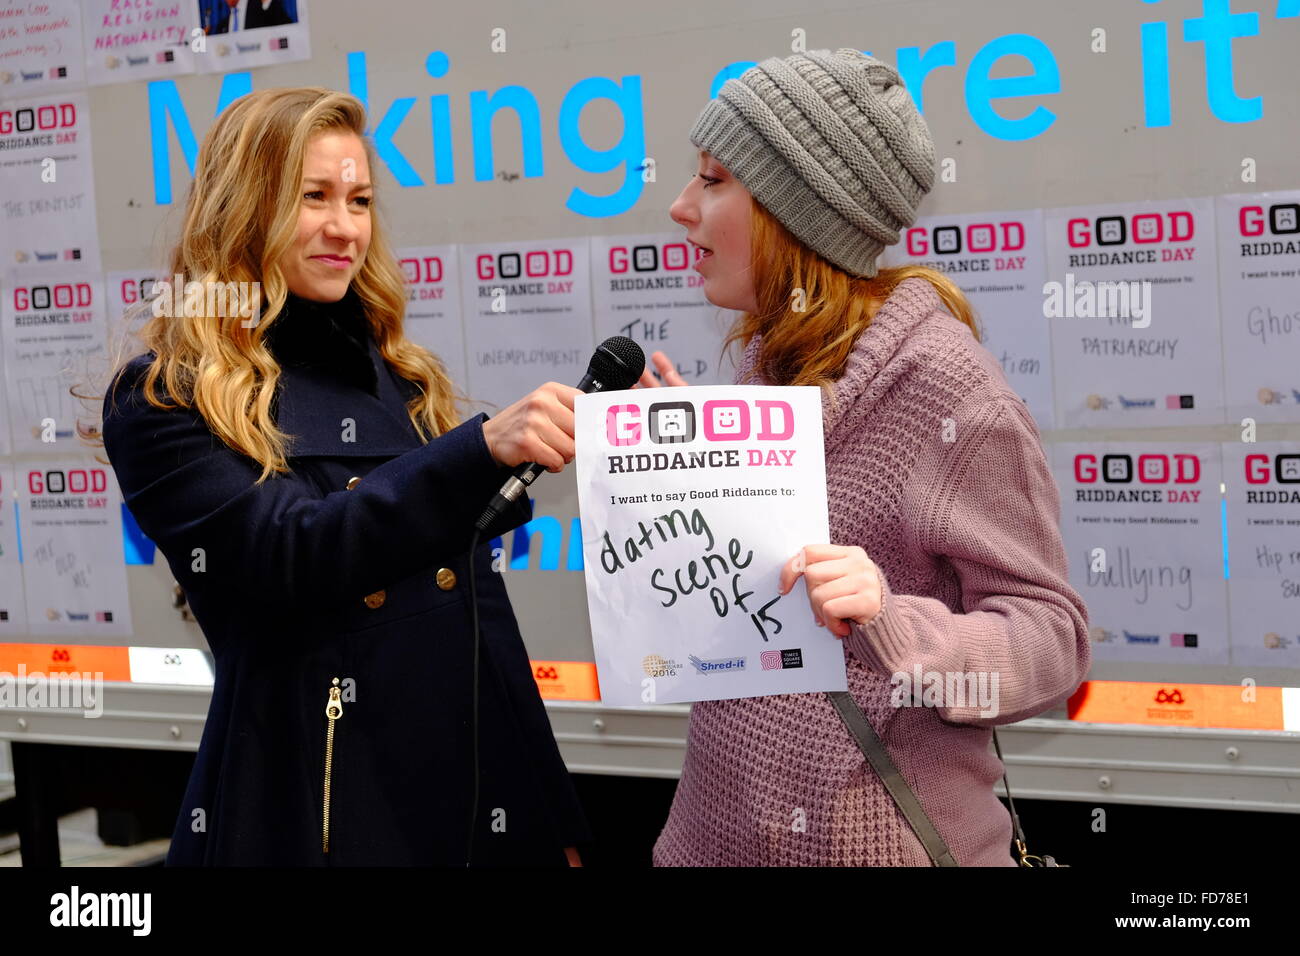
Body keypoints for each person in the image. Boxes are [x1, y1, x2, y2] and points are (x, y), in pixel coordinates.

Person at [82, 87, 589, 866]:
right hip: (313, 803)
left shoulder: (397, 372)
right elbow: (289, 555)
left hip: (474, 786)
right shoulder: (166, 395)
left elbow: (479, 620)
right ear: (245, 206)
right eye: (313, 197)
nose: (345, 227)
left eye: (359, 200)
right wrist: (480, 450)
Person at [639, 49, 1091, 866]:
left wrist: (893, 618)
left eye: (712, 181)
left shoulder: (954, 392)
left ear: (793, 214)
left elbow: (1051, 642)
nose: (678, 207)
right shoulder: (772, 367)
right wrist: (668, 472)